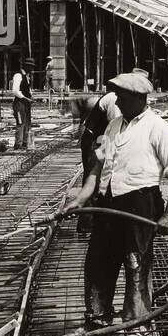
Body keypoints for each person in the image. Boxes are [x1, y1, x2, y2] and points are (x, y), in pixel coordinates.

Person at [61, 72, 168, 329]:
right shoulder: (113, 126)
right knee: (99, 261)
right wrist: (81, 198)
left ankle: (136, 322)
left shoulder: (159, 128)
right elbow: (97, 167)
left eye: (122, 97)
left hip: (140, 203)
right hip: (108, 203)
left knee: (136, 263)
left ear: (139, 98)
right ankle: (98, 318)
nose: (116, 101)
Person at [72, 85, 118, 237]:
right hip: (95, 140)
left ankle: (99, 223)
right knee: (94, 178)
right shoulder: (114, 100)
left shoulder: (119, 99)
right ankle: (87, 225)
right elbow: (117, 128)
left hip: (102, 139)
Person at [10, 57, 34, 150]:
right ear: (26, 66)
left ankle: (24, 142)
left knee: (27, 123)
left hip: (26, 103)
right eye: (30, 67)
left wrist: (31, 96)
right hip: (19, 103)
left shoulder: (27, 77)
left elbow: (27, 89)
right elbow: (15, 91)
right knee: (20, 123)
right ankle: (18, 144)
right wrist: (26, 98)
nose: (31, 69)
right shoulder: (18, 75)